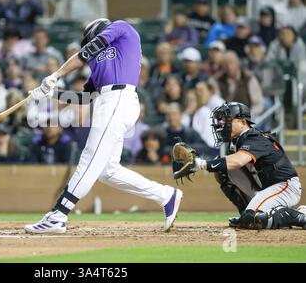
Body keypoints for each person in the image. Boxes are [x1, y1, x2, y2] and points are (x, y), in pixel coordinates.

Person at [24, 18, 183, 234]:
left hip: (119, 98)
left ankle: (57, 215)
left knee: (89, 159)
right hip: (108, 103)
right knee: (108, 170)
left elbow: (89, 50)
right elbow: (84, 97)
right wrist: (49, 94)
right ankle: (166, 195)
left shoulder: (120, 28)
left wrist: (55, 75)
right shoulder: (98, 64)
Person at [183, 101, 305, 230]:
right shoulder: (236, 141)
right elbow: (230, 165)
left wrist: (200, 164)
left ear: (242, 122)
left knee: (254, 219)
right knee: (222, 171)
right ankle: (246, 213)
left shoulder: (255, 137)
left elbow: (237, 161)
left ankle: (301, 216)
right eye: (222, 120)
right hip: (266, 187)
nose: (222, 124)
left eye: (227, 120)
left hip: (284, 186)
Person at [210, 51, 264, 118]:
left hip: (247, 117)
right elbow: (216, 102)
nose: (229, 67)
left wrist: (248, 116)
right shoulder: (218, 80)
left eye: (231, 62)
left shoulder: (248, 78)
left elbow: (258, 103)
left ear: (238, 63)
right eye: (226, 64)